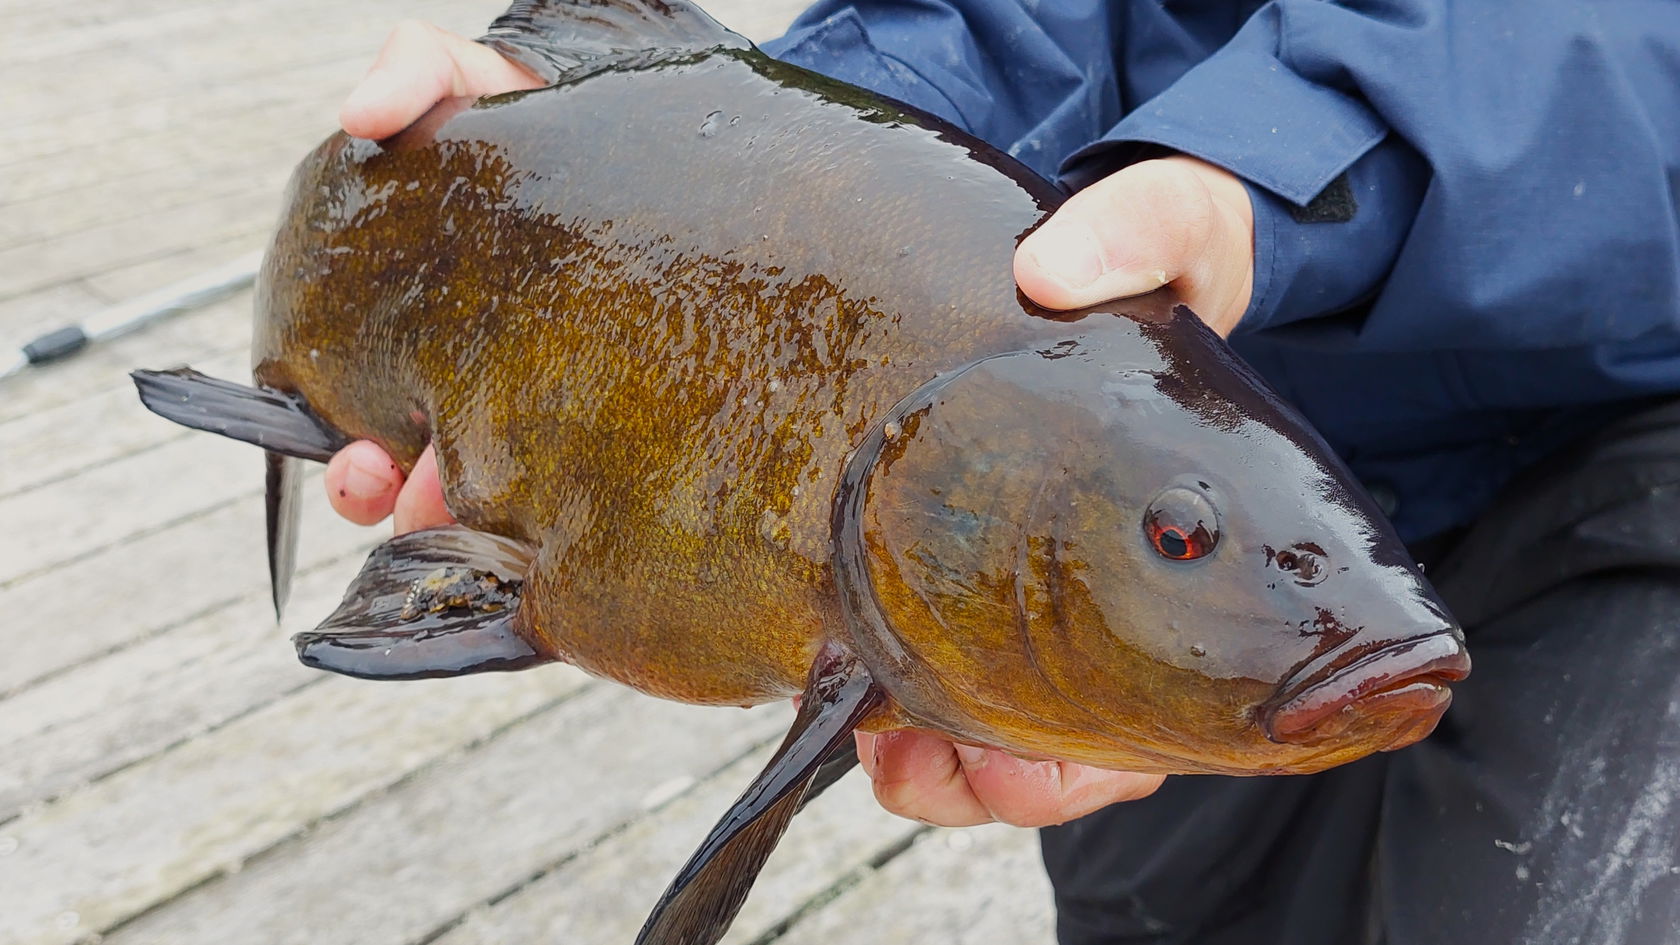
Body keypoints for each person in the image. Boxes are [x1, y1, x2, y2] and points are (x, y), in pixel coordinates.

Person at [318, 3, 1680, 942]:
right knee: (1166, 907)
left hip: (1619, 423)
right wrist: (743, 145)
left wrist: (1288, 165)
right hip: (1163, 440)